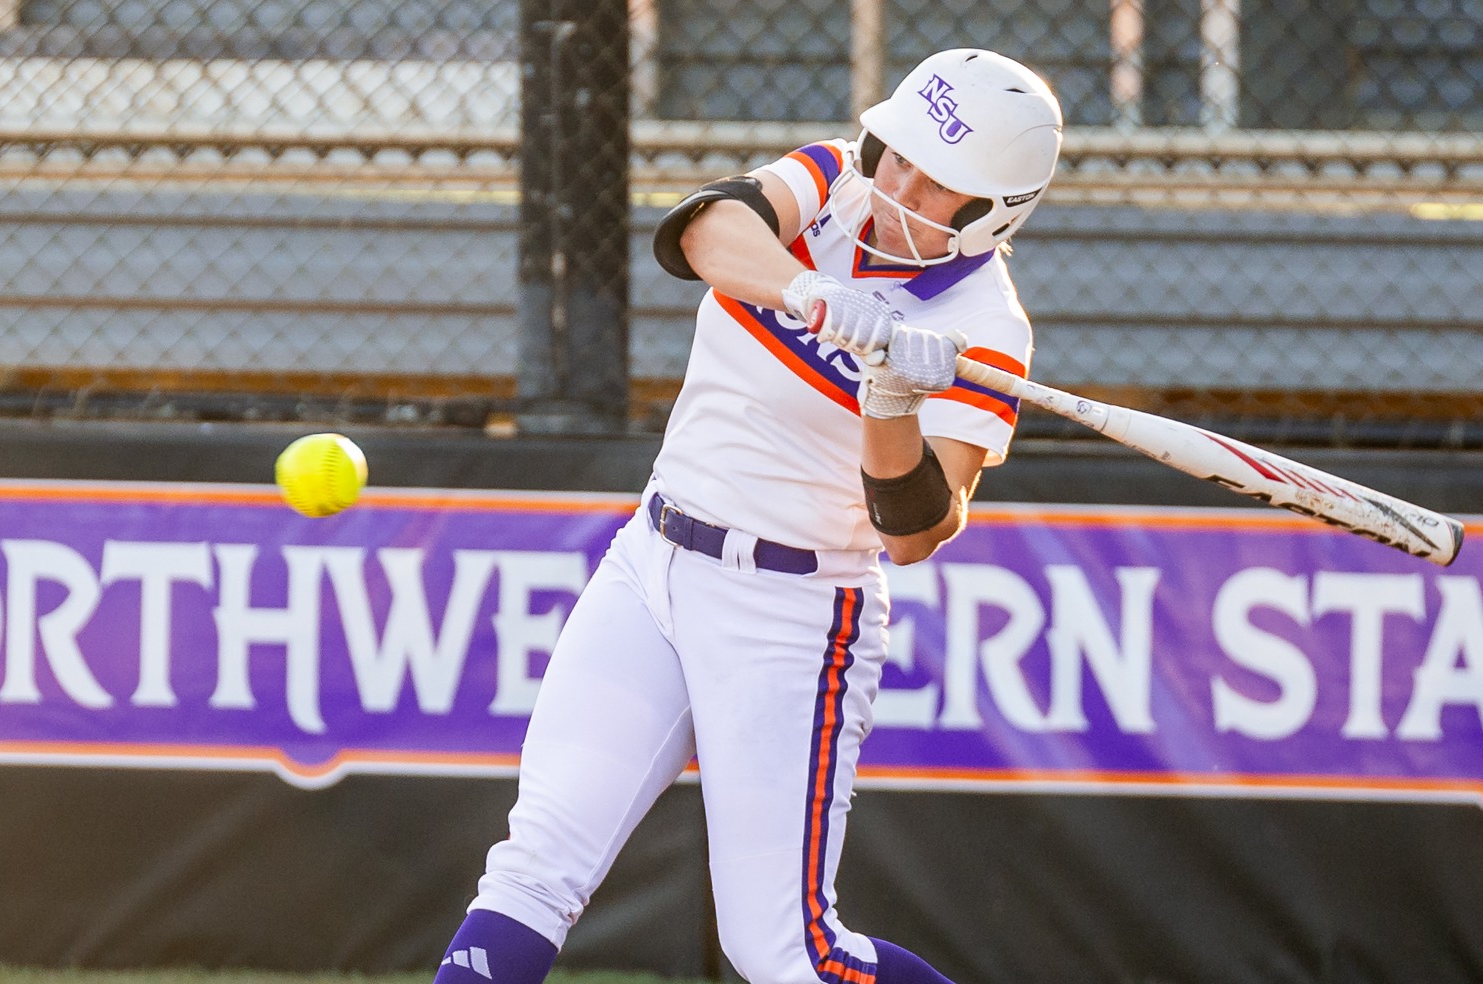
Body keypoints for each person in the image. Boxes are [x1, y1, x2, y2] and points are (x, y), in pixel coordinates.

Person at [433, 48, 1064, 984]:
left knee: (783, 954)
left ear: (991, 214)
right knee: (533, 867)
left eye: (937, 186)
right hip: (652, 560)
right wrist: (812, 291)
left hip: (795, 613)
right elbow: (703, 233)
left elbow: (919, 529)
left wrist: (888, 398)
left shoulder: (986, 329)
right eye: (899, 155)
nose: (900, 186)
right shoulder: (826, 183)